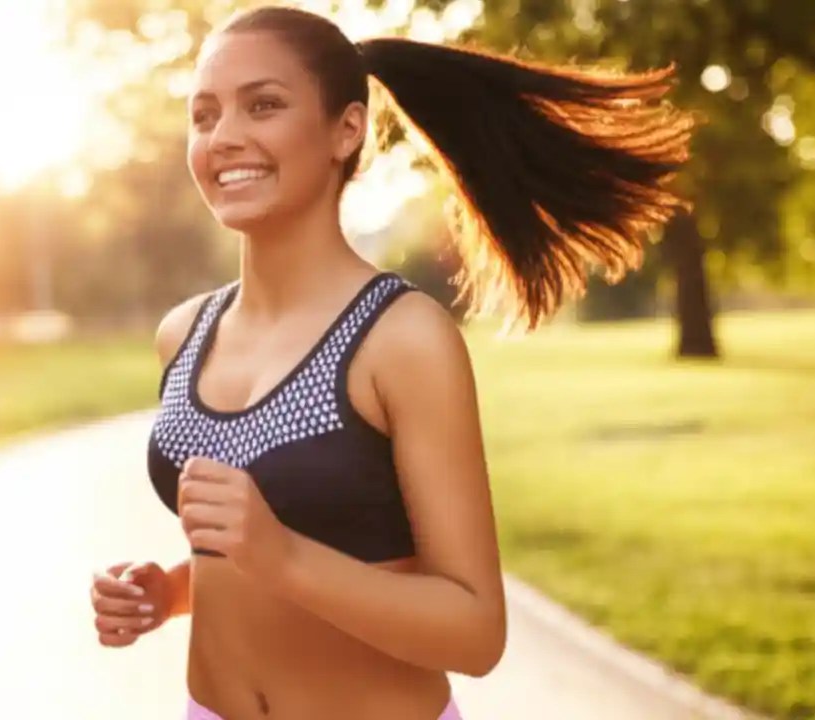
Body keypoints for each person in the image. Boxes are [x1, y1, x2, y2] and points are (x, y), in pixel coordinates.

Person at [89, 5, 692, 718]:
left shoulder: (402, 338)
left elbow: (473, 632)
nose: (224, 137)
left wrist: (280, 555)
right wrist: (169, 590)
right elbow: (266, 553)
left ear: (347, 129)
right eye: (204, 115)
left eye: (264, 105)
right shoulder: (183, 333)